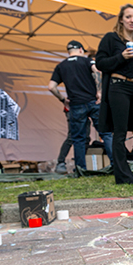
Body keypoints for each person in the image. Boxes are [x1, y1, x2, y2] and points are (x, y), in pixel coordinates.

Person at [96, 4, 133, 185]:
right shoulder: (111, 39)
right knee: (119, 133)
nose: (132, 20)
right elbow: (100, 63)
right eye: (128, 17)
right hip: (119, 87)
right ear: (121, 19)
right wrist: (122, 57)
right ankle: (123, 176)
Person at [48, 41, 113, 171]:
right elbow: (98, 72)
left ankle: (80, 169)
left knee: (78, 139)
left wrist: (63, 100)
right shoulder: (87, 61)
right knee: (105, 133)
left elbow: (51, 87)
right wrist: (99, 91)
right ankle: (116, 164)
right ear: (81, 50)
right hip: (93, 102)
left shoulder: (61, 66)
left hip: (76, 104)